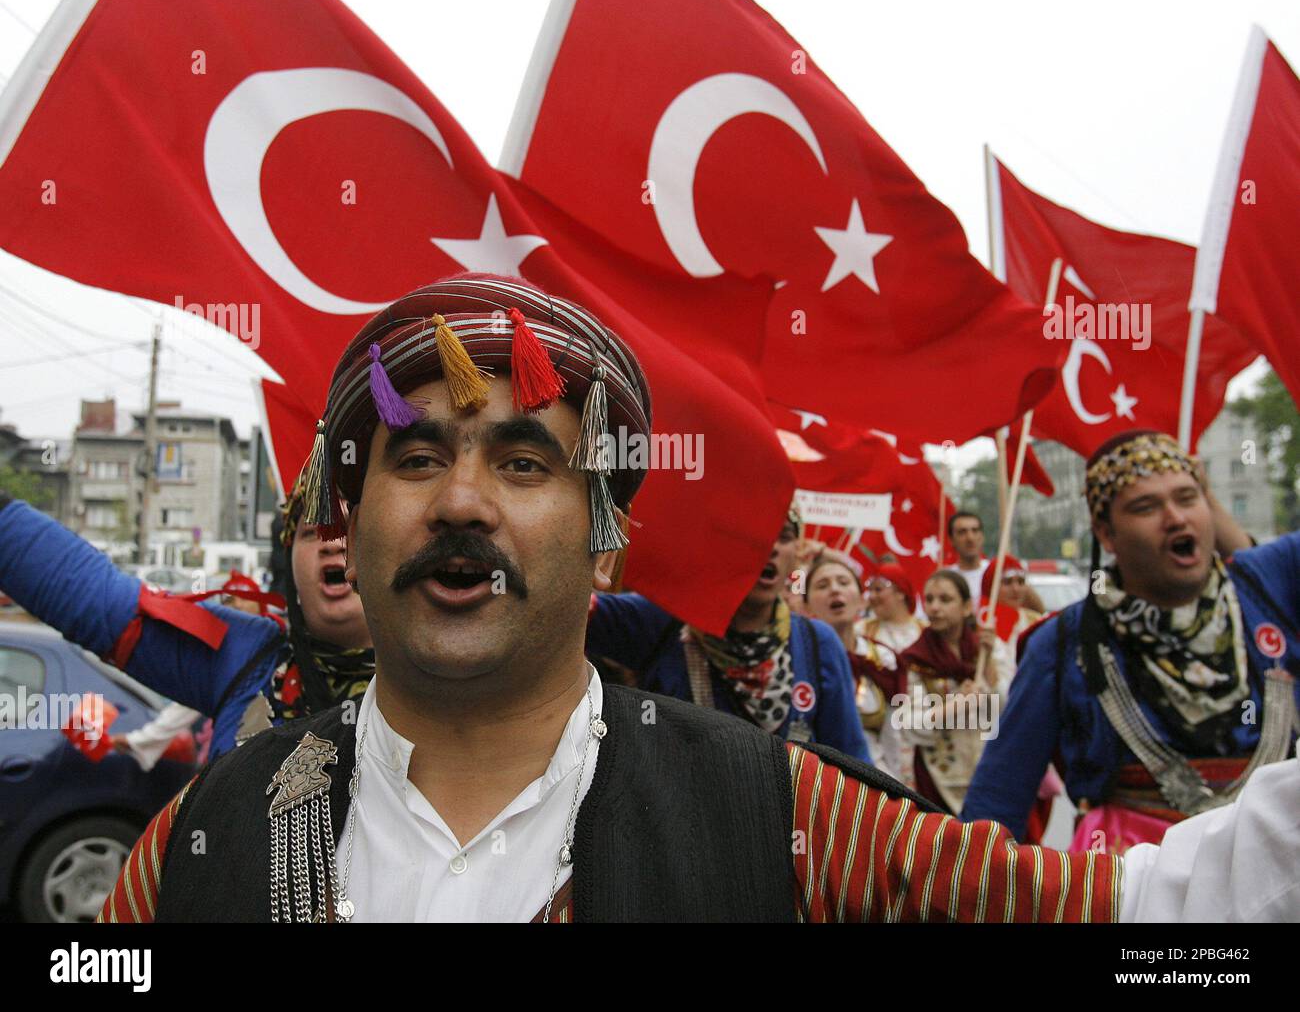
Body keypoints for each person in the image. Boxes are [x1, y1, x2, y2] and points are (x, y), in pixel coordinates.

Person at [98, 277, 1299, 923]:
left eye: (524, 462)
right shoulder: (208, 830)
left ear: (608, 545)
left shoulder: (779, 812)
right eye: (415, 460)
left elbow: (1142, 914)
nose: (462, 500)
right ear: (346, 532)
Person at [963, 430, 1300, 852]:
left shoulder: (1267, 586)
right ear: (1106, 534)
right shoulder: (1064, 643)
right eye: (1146, 507)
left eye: (1187, 498)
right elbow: (995, 807)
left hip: (1276, 873)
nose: (1175, 518)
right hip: (1131, 887)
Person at [0, 470, 373, 759]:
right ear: (287, 565)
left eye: (347, 526)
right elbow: (96, 600)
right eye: (310, 532)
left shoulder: (429, 674)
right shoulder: (245, 655)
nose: (331, 541)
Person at [586, 506, 871, 760]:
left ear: (795, 554)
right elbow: (571, 610)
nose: (770, 546)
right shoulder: (666, 620)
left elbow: (852, 766)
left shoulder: (818, 643)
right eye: (756, 534)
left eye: (783, 536)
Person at [895, 569, 1011, 815]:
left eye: (945, 600)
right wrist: (956, 706)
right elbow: (909, 726)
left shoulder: (988, 647)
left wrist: (987, 660)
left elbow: (1005, 711)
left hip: (985, 772)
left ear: (967, 606)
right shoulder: (915, 659)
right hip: (937, 780)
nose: (935, 607)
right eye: (929, 599)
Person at [803, 549, 904, 777]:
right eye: (822, 585)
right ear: (807, 605)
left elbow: (894, 733)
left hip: (877, 779)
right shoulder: (800, 657)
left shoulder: (882, 657)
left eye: (843, 582)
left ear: (861, 600)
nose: (835, 589)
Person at [858, 563, 924, 786]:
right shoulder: (862, 630)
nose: (872, 597)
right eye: (870, 590)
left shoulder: (925, 632)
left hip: (923, 732)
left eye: (879, 589)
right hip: (881, 732)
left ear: (900, 593)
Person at [945, 510, 989, 604]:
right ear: (951, 540)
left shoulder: (997, 574)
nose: (970, 538)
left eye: (975, 530)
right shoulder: (945, 579)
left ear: (982, 536)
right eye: (962, 532)